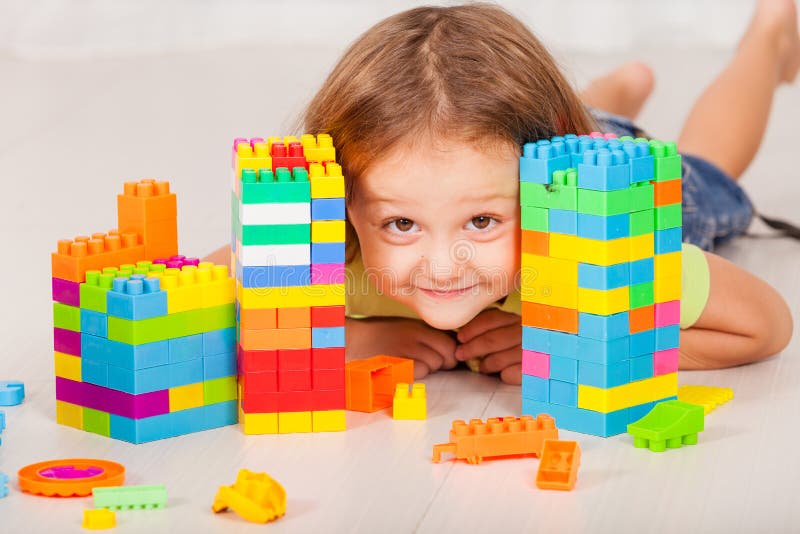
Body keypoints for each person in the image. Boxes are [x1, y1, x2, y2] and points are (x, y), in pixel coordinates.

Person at [211, 1, 796, 384]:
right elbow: (190, 301)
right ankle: (615, 90)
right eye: (401, 225)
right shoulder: (320, 254)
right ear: (341, 203)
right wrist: (346, 339)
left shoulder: (600, 238)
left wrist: (574, 339)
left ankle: (768, 38)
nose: (443, 267)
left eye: (483, 222)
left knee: (707, 168)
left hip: (598, 153)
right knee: (585, 111)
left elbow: (765, 325)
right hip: (536, 132)